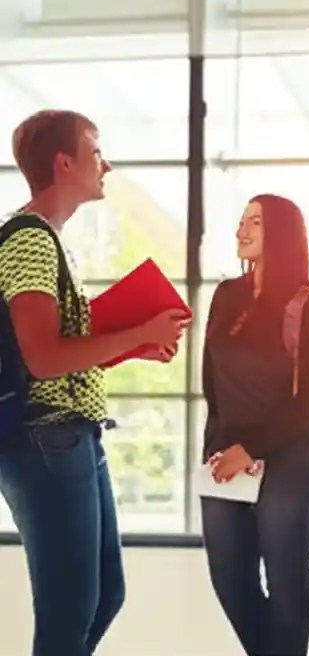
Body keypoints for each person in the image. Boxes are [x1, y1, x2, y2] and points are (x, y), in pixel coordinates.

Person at [0, 110, 189, 656]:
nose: (106, 164)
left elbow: (58, 359)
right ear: (65, 163)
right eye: (96, 151)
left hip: (72, 435)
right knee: (68, 612)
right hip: (45, 442)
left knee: (104, 596)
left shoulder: (54, 241)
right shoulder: (30, 242)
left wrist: (136, 344)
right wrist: (137, 329)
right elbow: (43, 360)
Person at [201, 195, 309, 656]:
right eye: (241, 220)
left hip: (292, 456)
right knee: (229, 580)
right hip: (229, 454)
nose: (241, 229)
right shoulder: (226, 295)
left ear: (280, 233)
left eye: (255, 222)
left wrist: (253, 446)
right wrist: (217, 448)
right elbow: (212, 381)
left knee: (286, 583)